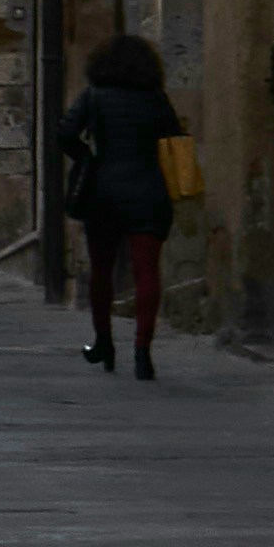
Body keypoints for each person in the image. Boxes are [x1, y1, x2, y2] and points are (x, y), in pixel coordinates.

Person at [59, 27, 187, 372]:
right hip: (148, 190)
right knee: (148, 271)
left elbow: (65, 134)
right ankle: (143, 352)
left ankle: (104, 342)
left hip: (104, 192)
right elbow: (175, 140)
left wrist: (87, 156)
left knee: (102, 271)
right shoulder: (156, 99)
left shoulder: (94, 96)